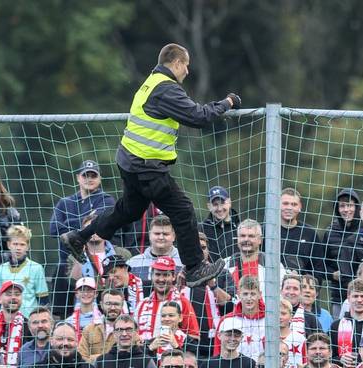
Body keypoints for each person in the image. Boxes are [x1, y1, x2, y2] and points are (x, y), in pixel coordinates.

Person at [60, 44, 238, 290]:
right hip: (147, 167)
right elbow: (198, 117)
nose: (187, 71)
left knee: (128, 211)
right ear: (176, 63)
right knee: (183, 210)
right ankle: (195, 267)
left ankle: (79, 237)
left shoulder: (150, 82)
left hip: (130, 161)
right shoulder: (166, 88)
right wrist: (227, 102)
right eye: (186, 65)